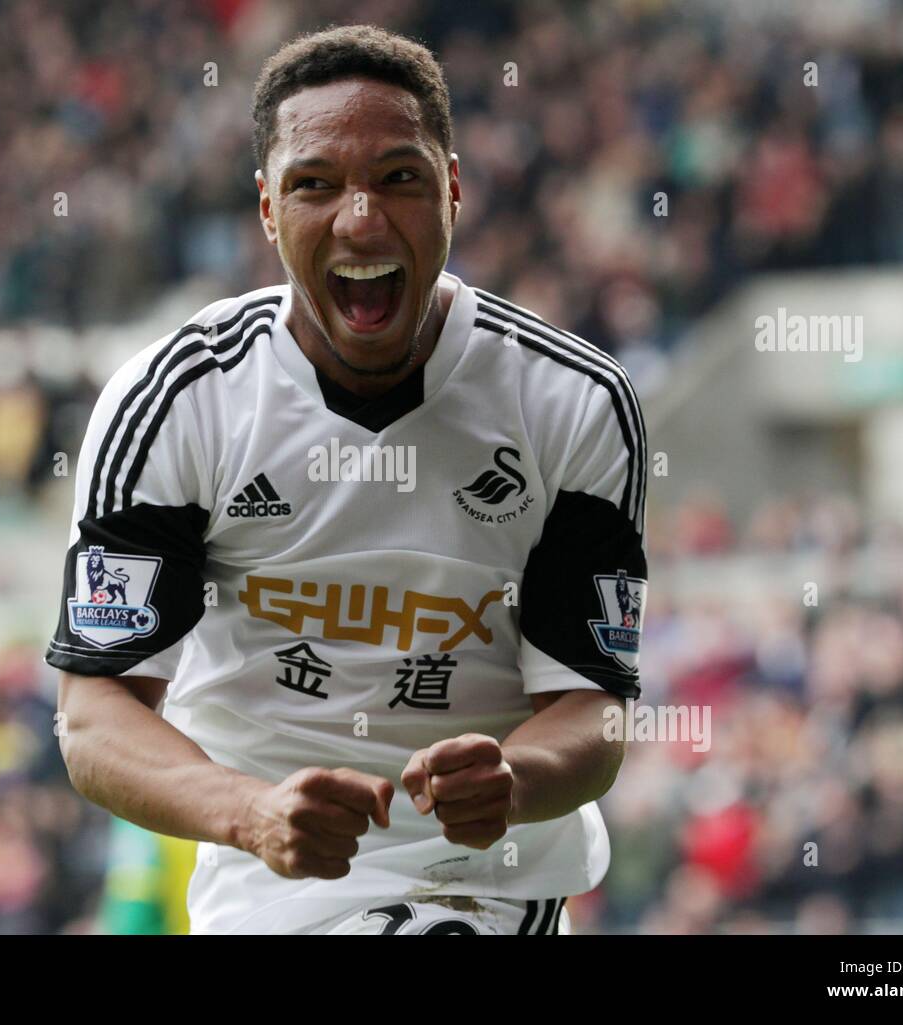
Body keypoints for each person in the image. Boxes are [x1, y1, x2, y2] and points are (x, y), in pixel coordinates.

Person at [47, 24, 647, 935]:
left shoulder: (570, 401)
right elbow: (94, 714)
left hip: (482, 878)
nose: (360, 219)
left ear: (452, 189)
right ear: (266, 209)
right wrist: (247, 810)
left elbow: (591, 711)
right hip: (262, 885)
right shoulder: (179, 401)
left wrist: (516, 777)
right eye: (315, 184)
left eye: (399, 178)